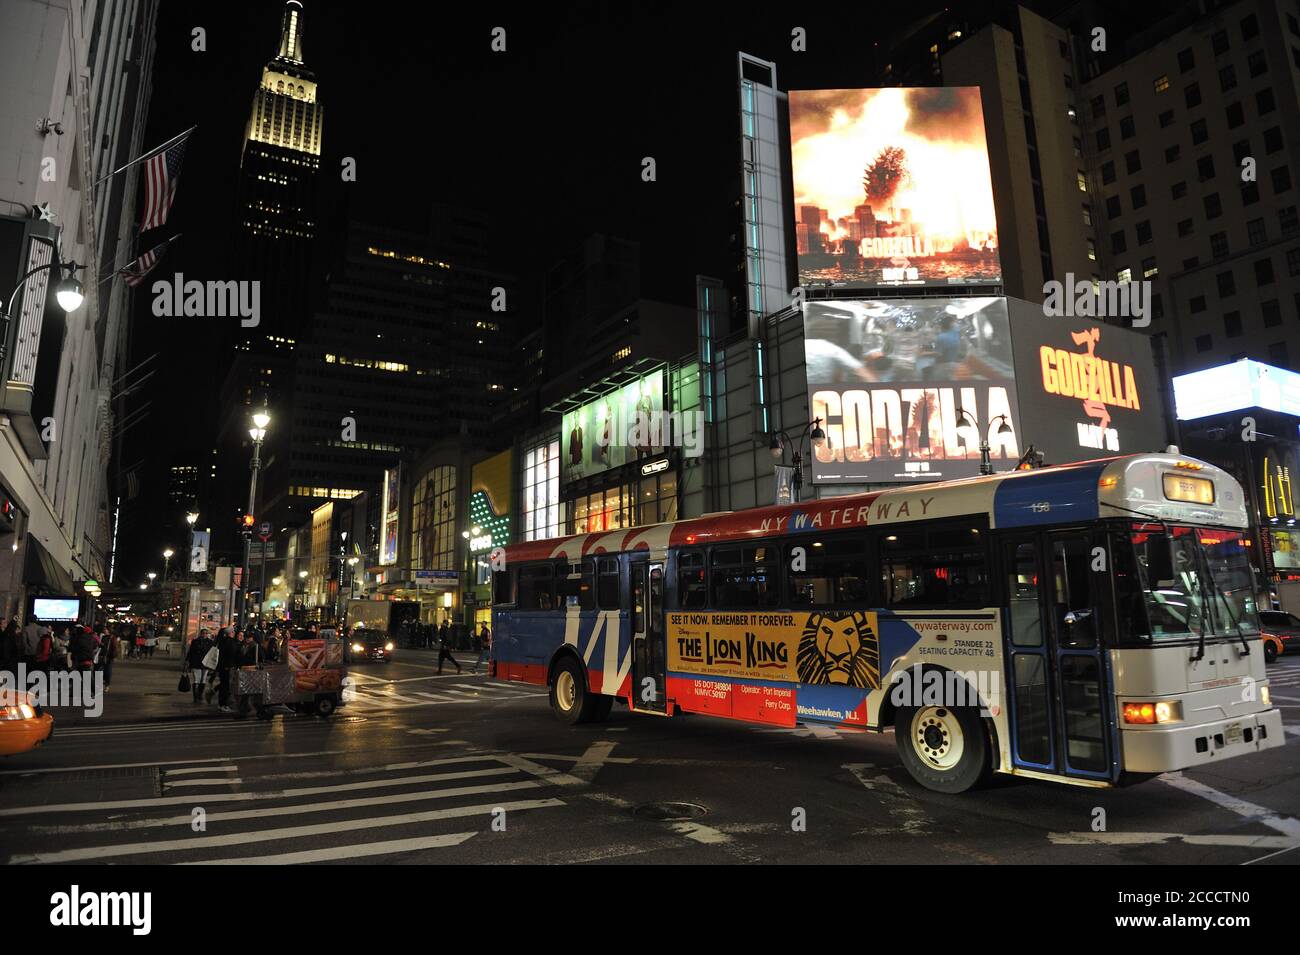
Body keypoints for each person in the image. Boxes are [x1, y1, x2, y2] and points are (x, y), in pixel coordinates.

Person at [186, 628, 214, 702]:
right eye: (203, 633)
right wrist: (188, 661)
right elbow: (190, 652)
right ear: (200, 634)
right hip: (196, 662)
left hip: (205, 663)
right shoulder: (195, 641)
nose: (204, 634)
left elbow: (212, 654)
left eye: (206, 633)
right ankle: (195, 697)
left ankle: (200, 695)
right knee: (197, 679)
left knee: (203, 680)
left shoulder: (210, 642)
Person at [216, 627, 237, 711]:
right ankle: (224, 704)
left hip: (222, 666)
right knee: (226, 686)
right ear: (231, 632)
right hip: (227, 666)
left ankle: (221, 704)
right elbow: (232, 654)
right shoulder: (230, 642)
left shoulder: (223, 641)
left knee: (223, 685)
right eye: (233, 631)